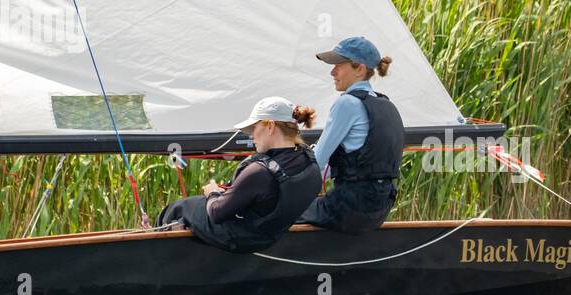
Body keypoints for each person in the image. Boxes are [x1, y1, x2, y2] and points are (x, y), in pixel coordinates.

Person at [156, 97, 321, 252]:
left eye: (254, 128)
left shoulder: (259, 172)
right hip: (272, 235)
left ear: (270, 126)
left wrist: (212, 192)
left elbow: (216, 213)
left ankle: (159, 250)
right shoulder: (308, 159)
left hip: (242, 240)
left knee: (180, 208)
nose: (251, 135)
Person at [298, 36, 404, 235]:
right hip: (380, 209)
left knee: (276, 209)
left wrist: (283, 189)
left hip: (349, 208)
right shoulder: (388, 105)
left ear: (360, 69)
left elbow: (317, 163)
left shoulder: (346, 103)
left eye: (339, 64)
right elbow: (357, 162)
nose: (332, 71)